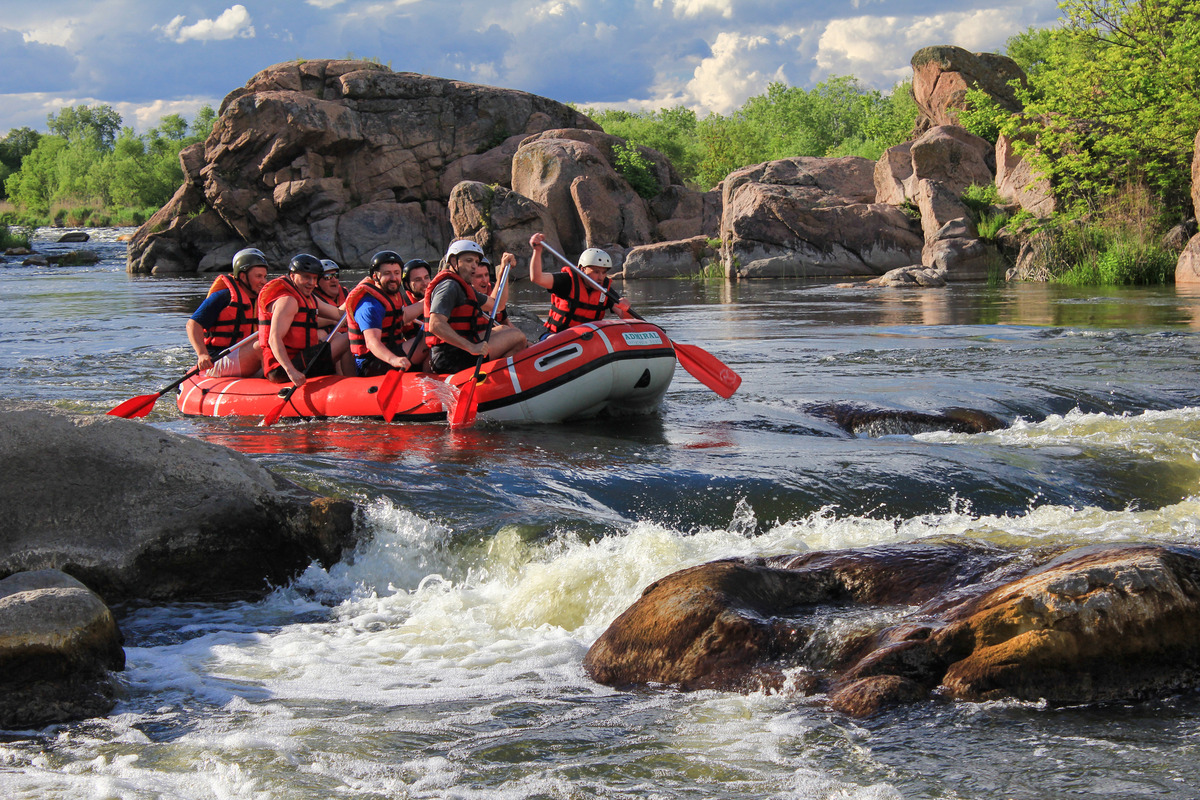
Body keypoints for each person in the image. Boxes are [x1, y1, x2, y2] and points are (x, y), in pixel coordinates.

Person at [424, 239, 526, 374]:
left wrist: (503, 272)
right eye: (469, 261)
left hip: (458, 350)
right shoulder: (448, 286)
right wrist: (471, 347)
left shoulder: (463, 287)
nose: (474, 266)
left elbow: (497, 305)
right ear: (454, 261)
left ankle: (494, 376)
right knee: (518, 337)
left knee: (504, 329)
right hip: (449, 358)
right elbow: (435, 324)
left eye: (476, 262)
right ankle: (499, 379)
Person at [258, 253, 351, 386]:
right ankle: (353, 381)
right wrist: (291, 371)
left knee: (338, 336)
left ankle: (349, 380)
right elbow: (274, 338)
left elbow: (339, 314)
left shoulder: (308, 297)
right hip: (283, 368)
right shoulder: (288, 301)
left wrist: (360, 292)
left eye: (314, 278)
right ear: (292, 276)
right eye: (306, 277)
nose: (311, 283)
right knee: (347, 338)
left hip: (302, 357)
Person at [528, 232, 632, 338]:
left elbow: (628, 320)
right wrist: (537, 251)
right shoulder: (567, 281)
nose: (601, 277)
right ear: (582, 270)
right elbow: (537, 278)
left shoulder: (605, 290)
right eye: (596, 272)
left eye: (604, 272)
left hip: (586, 339)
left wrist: (625, 308)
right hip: (555, 337)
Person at [186, 247, 269, 377]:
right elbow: (193, 324)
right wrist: (202, 354)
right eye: (258, 276)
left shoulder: (265, 300)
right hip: (218, 360)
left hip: (245, 357)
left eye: (264, 276)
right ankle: (272, 383)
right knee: (261, 346)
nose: (263, 281)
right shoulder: (223, 297)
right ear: (243, 276)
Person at [346, 250, 429, 376]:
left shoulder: (392, 297)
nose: (393, 278)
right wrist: (393, 359)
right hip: (372, 363)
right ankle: (432, 380)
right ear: (375, 276)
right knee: (429, 337)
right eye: (387, 274)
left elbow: (403, 317)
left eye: (396, 273)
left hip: (393, 350)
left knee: (432, 329)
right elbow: (372, 342)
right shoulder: (369, 305)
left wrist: (429, 299)